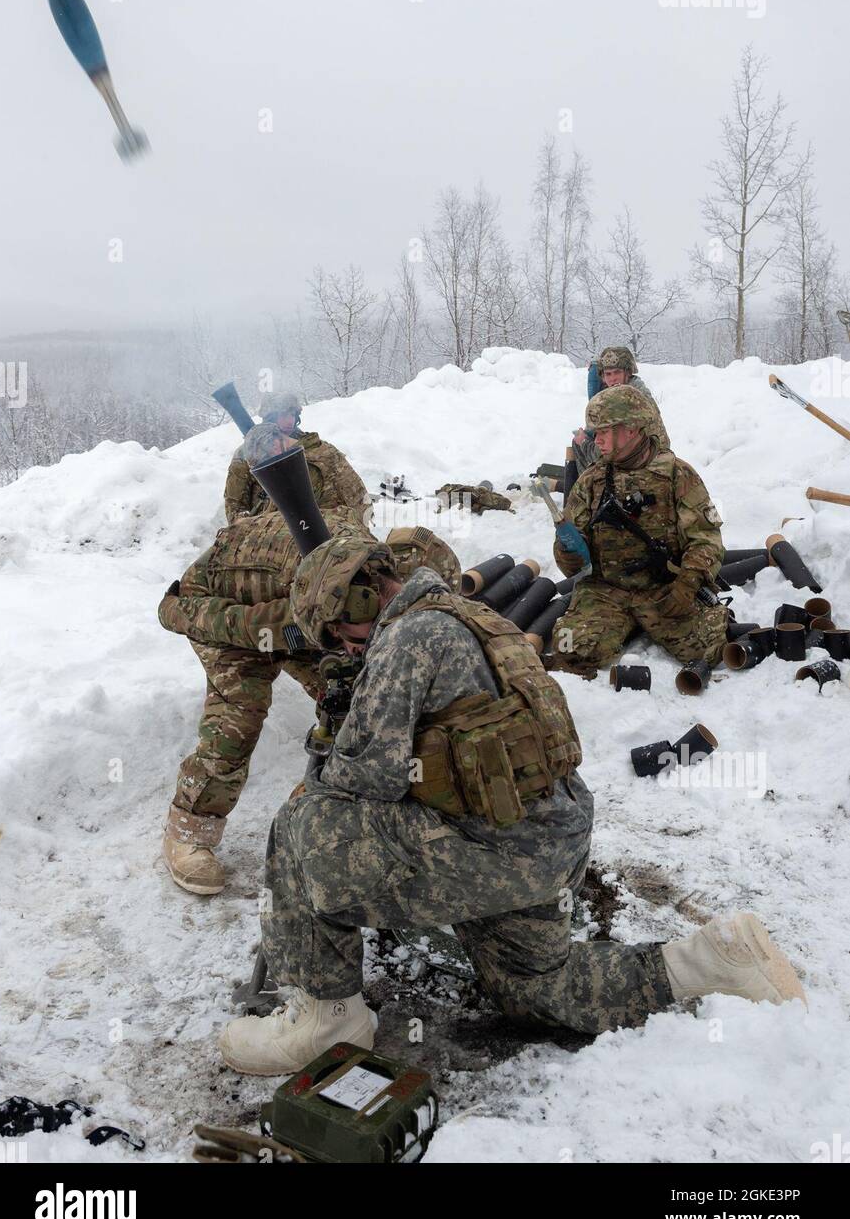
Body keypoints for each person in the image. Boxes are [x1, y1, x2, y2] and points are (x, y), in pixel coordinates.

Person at [216, 532, 804, 1075]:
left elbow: (363, 782)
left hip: (492, 847)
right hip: (542, 840)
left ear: (363, 599)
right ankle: (711, 961)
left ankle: (327, 1019)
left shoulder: (407, 640)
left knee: (305, 821)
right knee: (538, 990)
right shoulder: (474, 617)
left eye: (341, 633)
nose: (346, 648)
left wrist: (332, 742)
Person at [158, 510, 460, 896]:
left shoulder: (372, 574)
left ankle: (330, 809)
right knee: (240, 715)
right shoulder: (317, 598)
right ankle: (189, 828)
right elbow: (237, 625)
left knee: (353, 699)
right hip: (222, 611)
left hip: (310, 617)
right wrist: (173, 611)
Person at [549, 385, 728, 678]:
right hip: (605, 590)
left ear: (631, 429)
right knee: (570, 651)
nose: (597, 440)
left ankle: (639, 624)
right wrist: (567, 554)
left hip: (665, 589)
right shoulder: (591, 480)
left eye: (604, 431)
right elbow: (571, 545)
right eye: (595, 432)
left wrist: (688, 583)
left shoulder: (677, 474)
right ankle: (621, 625)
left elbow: (706, 538)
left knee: (708, 649)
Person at [223, 390, 369, 525]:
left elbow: (351, 487)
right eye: (283, 415)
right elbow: (235, 509)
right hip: (278, 532)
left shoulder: (314, 445)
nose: (290, 421)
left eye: (292, 415)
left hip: (332, 525)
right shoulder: (245, 454)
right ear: (269, 417)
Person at [572, 346, 669, 476]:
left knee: (578, 443)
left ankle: (588, 489)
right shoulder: (634, 389)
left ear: (628, 373)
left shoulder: (625, 400)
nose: (612, 379)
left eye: (617, 372)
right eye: (608, 374)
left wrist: (583, 442)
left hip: (642, 471)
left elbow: (603, 454)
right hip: (650, 462)